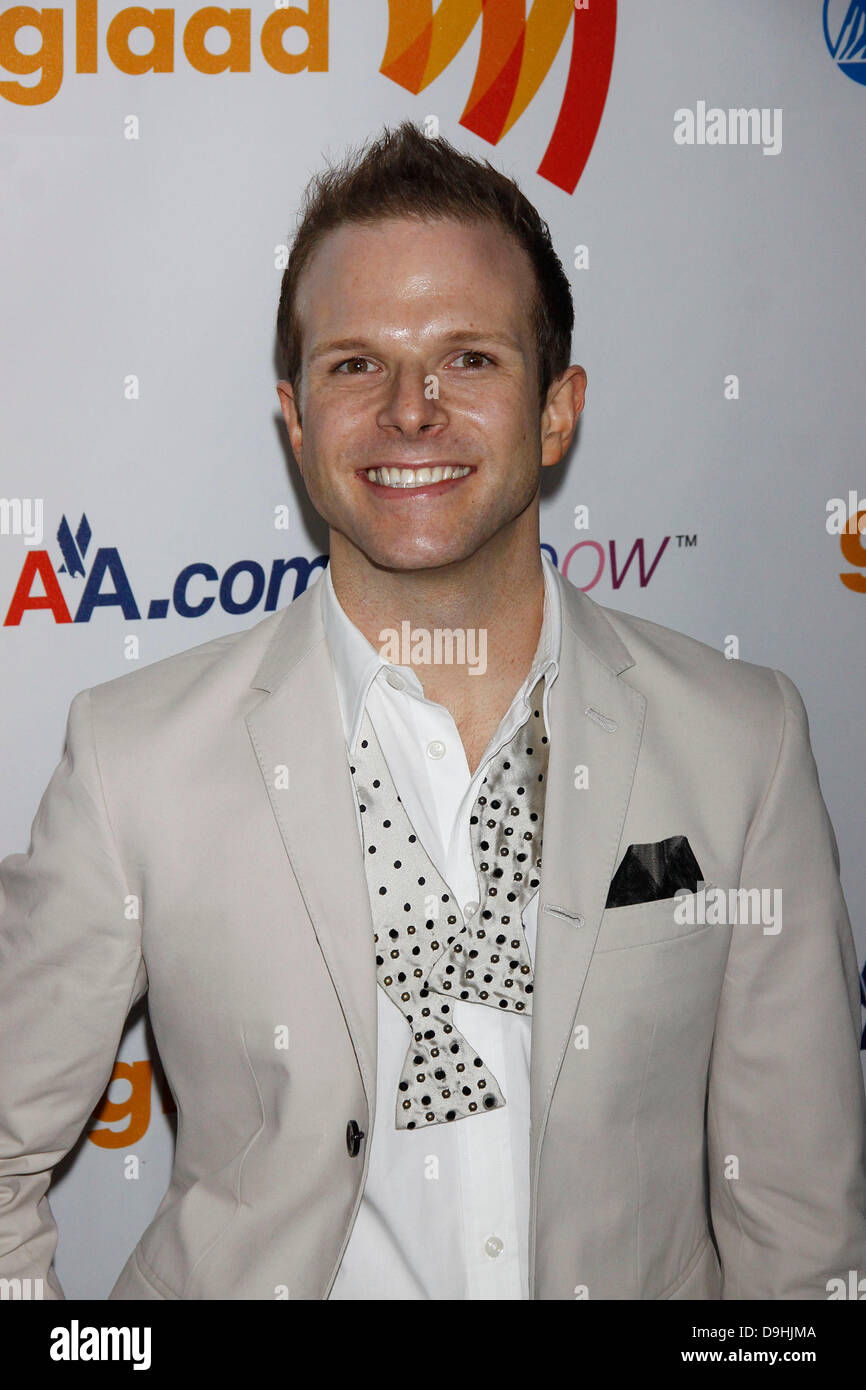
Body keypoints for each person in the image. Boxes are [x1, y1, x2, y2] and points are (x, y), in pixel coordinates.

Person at [1, 121, 864, 1302]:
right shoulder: (134, 758)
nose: (411, 410)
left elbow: (797, 1215)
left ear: (556, 410)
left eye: (468, 359)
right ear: (297, 423)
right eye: (355, 363)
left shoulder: (739, 740)